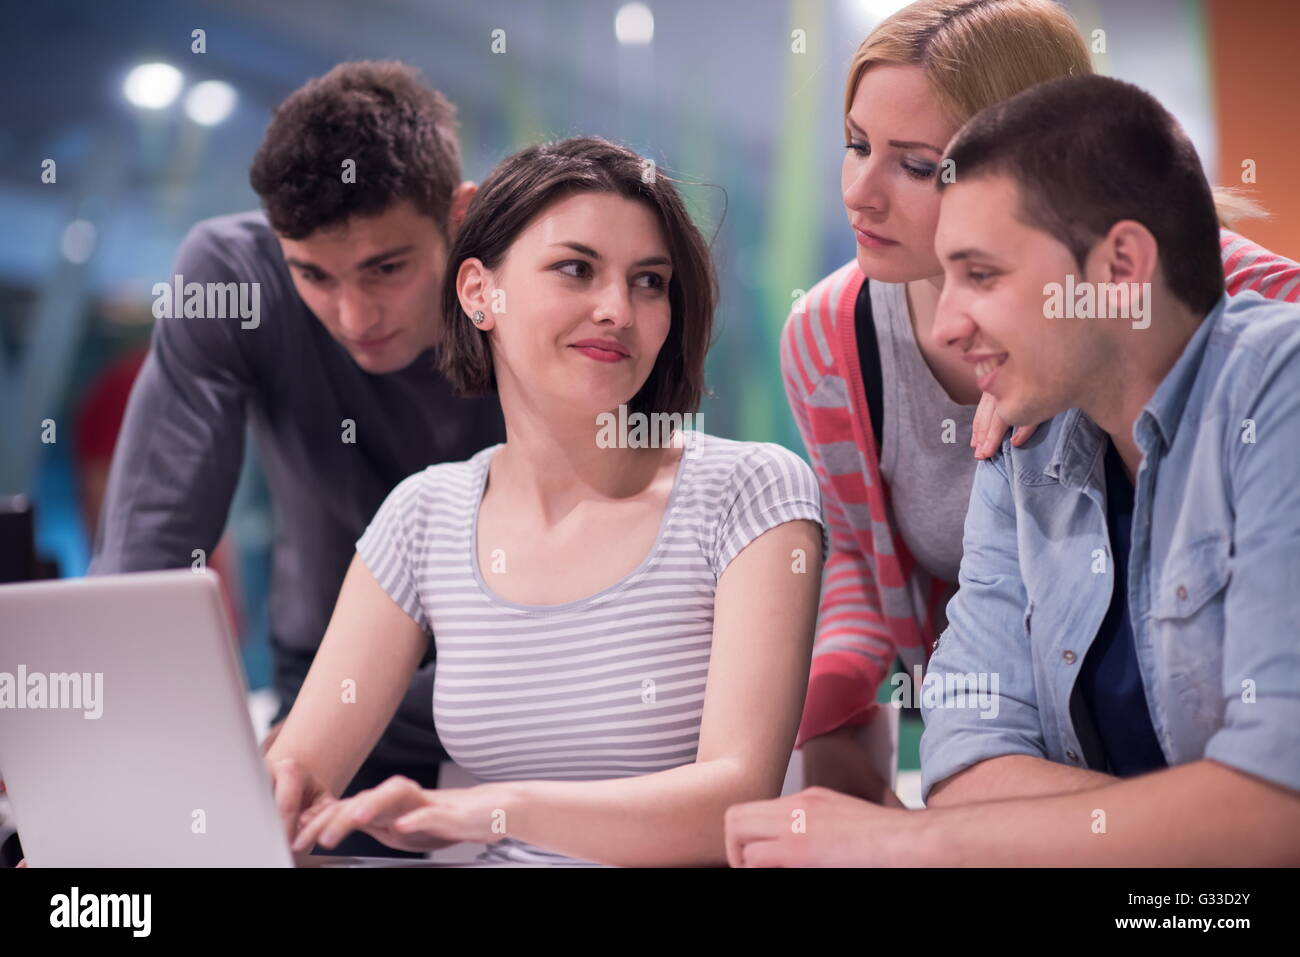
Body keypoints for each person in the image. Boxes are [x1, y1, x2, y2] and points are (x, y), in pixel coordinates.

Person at [725, 73, 1300, 866]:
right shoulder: (1021, 440)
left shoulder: (1282, 385)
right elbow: (964, 756)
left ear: (1121, 265)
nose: (951, 324)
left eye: (982, 275)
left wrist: (909, 842)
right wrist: (1203, 822)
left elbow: (1276, 806)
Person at [266, 136, 827, 866]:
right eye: (576, 269)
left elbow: (734, 803)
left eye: (650, 281)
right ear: (478, 293)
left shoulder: (751, 492)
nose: (618, 309)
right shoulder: (424, 515)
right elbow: (301, 775)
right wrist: (270, 796)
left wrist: (492, 809)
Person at [88, 61, 505, 858]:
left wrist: (313, 735)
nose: (353, 315)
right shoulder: (230, 277)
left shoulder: (532, 291)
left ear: (461, 216)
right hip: (320, 686)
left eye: (386, 268)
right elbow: (148, 551)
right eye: (312, 273)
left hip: (523, 692)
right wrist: (105, 752)